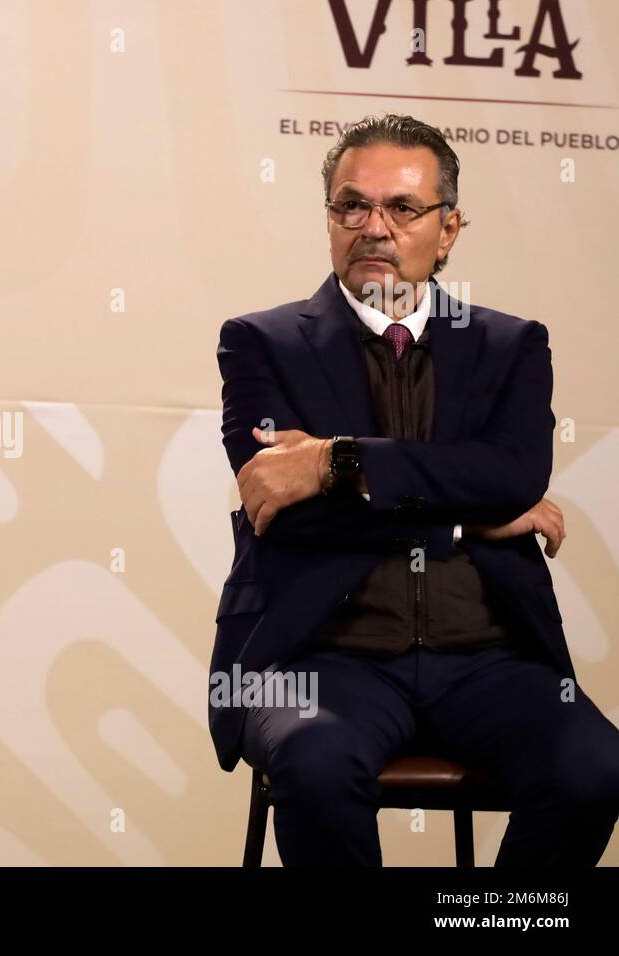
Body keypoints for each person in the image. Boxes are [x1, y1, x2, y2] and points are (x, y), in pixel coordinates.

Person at [210, 112, 619, 866]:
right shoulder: (260, 342)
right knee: (315, 766)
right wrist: (463, 522)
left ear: (450, 227)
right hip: (321, 660)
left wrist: (336, 462)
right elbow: (283, 515)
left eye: (402, 208)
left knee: (595, 768)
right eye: (350, 206)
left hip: (488, 657)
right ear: (328, 218)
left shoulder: (510, 345)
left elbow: (513, 476)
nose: (374, 227)